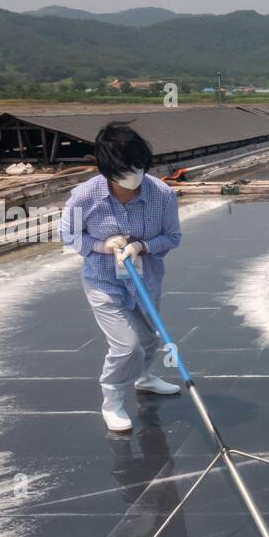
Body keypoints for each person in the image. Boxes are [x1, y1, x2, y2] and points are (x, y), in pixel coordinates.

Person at [59, 122, 182, 433]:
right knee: (127, 346)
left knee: (149, 336)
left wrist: (142, 246)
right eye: (127, 168)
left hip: (146, 279)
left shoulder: (162, 194)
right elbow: (68, 234)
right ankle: (112, 401)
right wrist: (102, 245)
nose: (136, 175)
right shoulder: (85, 196)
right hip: (104, 281)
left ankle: (145, 378)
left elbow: (172, 237)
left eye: (140, 166)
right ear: (108, 170)